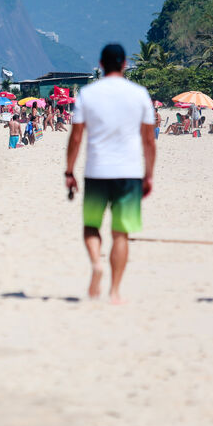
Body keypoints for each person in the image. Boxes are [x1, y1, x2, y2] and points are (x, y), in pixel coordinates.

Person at [65, 43, 156, 304]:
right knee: (120, 233)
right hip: (129, 174)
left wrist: (69, 171)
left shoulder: (88, 93)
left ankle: (96, 263)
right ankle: (115, 291)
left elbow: (76, 137)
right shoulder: (140, 94)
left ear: (101, 65)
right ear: (125, 64)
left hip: (96, 171)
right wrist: (148, 175)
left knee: (91, 226)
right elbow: (149, 141)